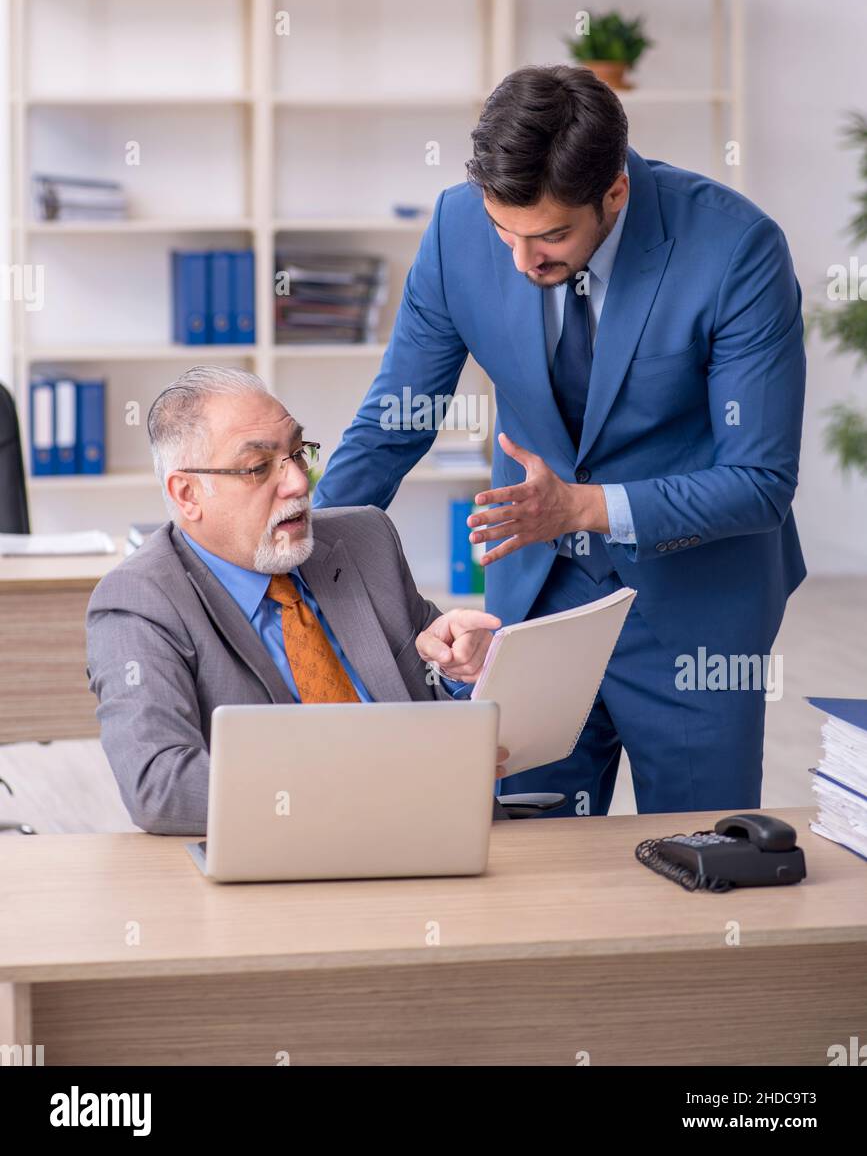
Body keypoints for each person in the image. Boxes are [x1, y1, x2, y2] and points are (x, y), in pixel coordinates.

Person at [314, 64, 807, 817]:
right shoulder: (454, 230)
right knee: (523, 857)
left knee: (704, 859)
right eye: (502, 231)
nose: (521, 262)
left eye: (549, 237)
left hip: (697, 610)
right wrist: (301, 543)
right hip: (535, 602)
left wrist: (579, 508)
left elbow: (759, 480)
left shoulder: (734, 249)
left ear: (614, 191)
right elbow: (398, 417)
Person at [86, 366, 507, 835]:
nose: (298, 484)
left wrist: (461, 671)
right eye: (259, 468)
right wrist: (372, 779)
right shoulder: (140, 601)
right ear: (187, 495)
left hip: (452, 837)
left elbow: (443, 704)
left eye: (297, 453)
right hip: (297, 862)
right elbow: (161, 787)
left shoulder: (366, 539)